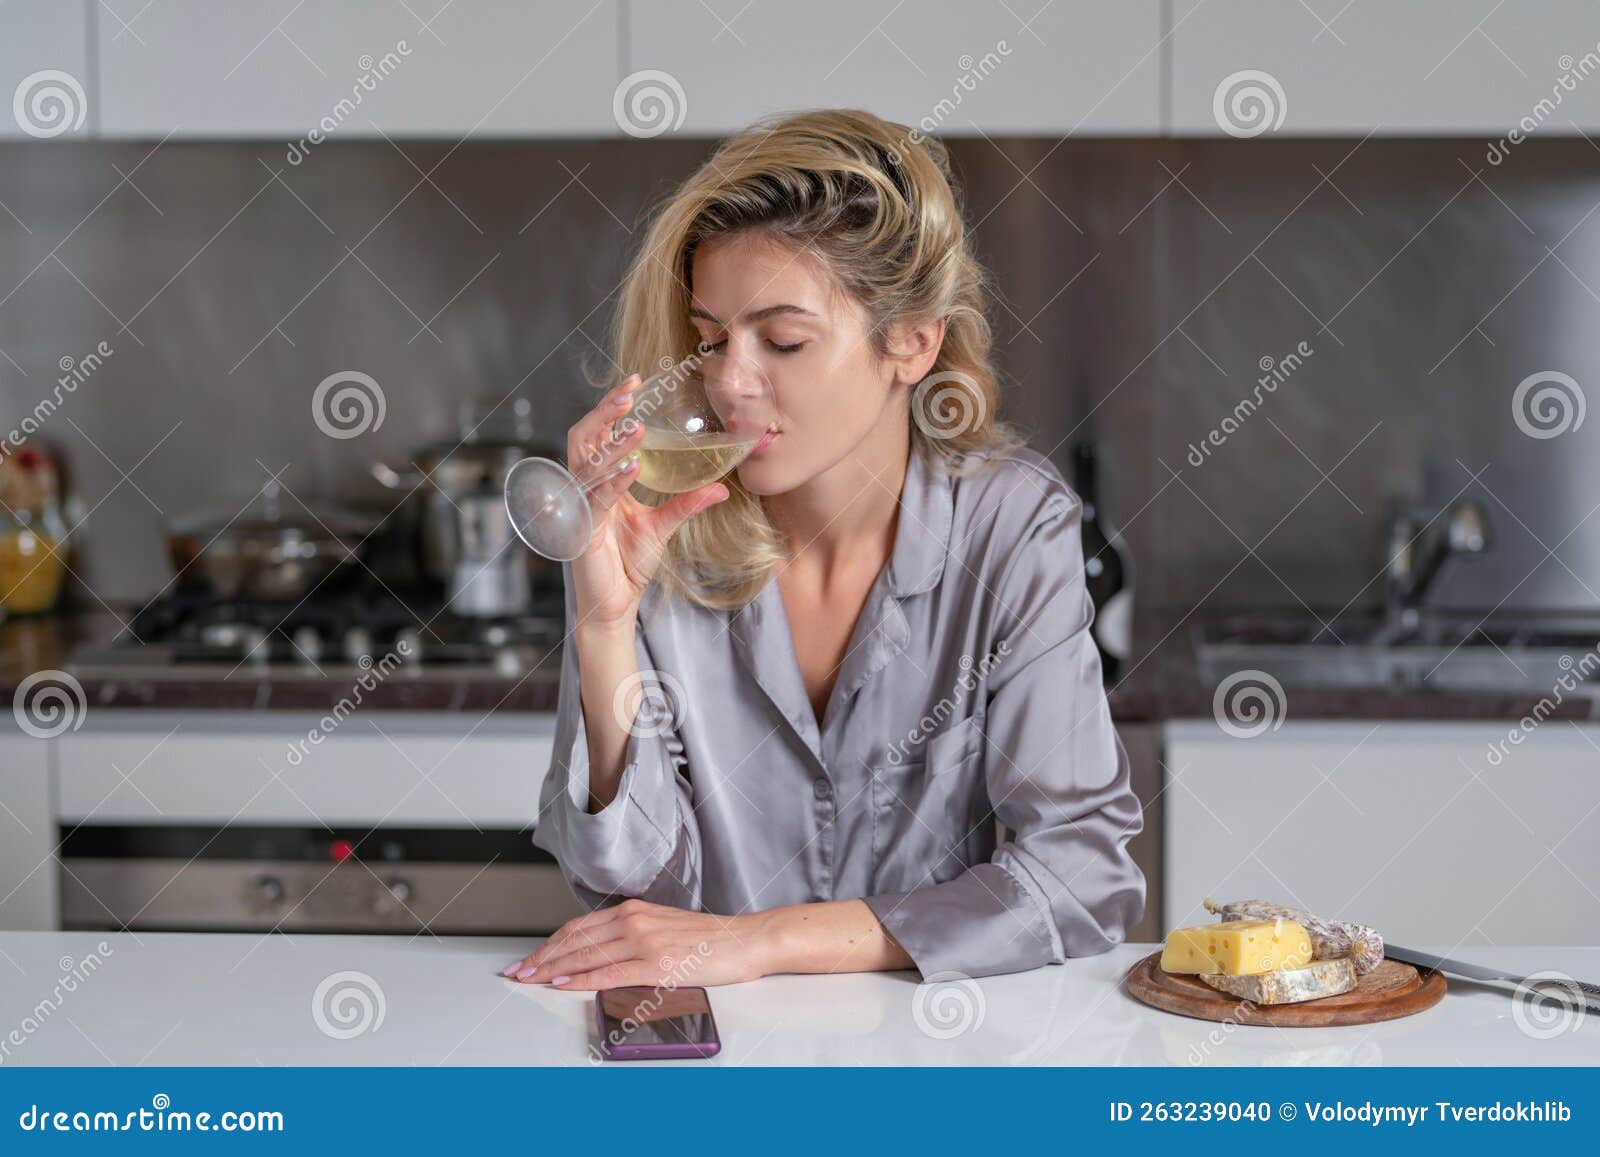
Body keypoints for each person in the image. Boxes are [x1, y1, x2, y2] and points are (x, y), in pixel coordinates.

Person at [503, 109, 1144, 990]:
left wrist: (762, 941)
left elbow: (1082, 880)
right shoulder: (659, 532)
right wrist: (605, 626)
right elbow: (629, 896)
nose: (730, 380)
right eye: (711, 338)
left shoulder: (1011, 526)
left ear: (913, 341)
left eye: (785, 339)